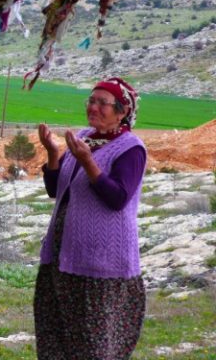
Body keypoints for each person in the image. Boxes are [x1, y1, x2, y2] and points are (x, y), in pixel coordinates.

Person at [34, 77, 146, 360]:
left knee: (92, 345)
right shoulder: (85, 138)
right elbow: (55, 189)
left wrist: (88, 162)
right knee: (56, 336)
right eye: (91, 101)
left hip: (100, 262)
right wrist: (53, 153)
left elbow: (117, 198)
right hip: (62, 255)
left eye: (102, 103)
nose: (93, 107)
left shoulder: (130, 149)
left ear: (121, 111)